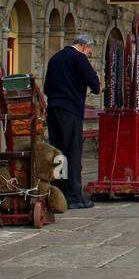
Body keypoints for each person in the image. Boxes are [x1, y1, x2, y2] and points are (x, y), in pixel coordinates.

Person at [43, 34, 101, 209]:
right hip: (70, 111)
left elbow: (46, 87)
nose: (89, 54)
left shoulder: (55, 58)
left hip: (53, 110)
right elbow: (95, 85)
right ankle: (74, 196)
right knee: (72, 152)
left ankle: (57, 192)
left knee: (58, 152)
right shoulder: (79, 59)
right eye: (90, 51)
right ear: (85, 47)